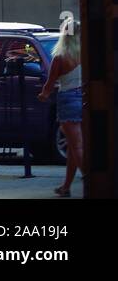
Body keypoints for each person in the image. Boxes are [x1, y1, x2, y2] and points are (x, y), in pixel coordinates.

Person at [40, 25, 84, 196]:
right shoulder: (85, 54)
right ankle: (66, 187)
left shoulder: (60, 57)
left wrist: (44, 95)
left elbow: (49, 85)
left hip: (68, 99)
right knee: (73, 147)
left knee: (77, 145)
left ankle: (89, 180)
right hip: (85, 97)